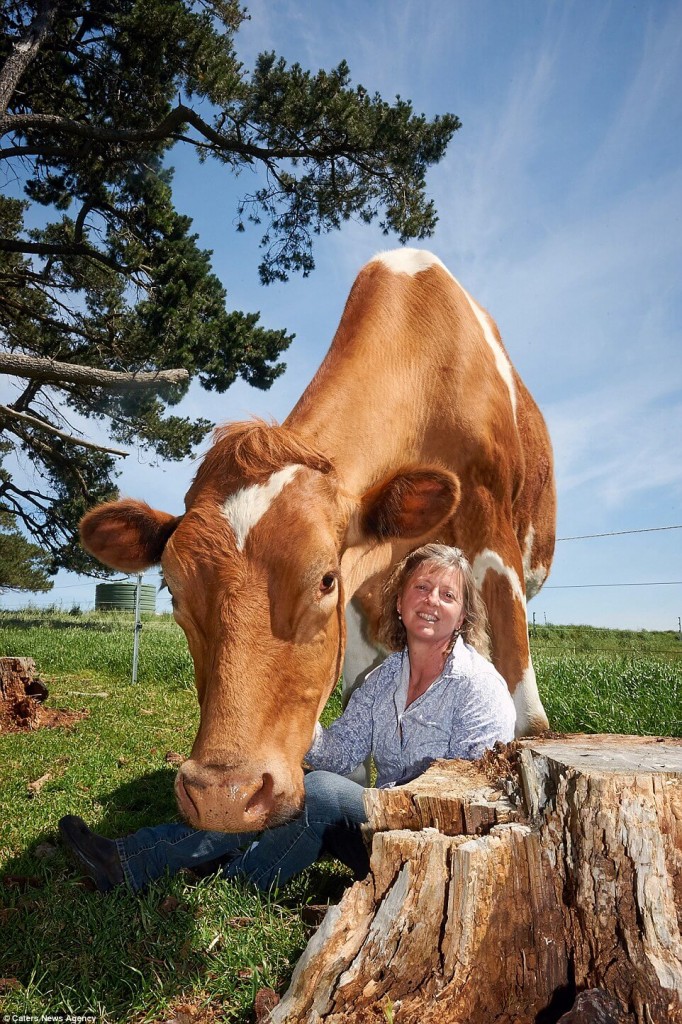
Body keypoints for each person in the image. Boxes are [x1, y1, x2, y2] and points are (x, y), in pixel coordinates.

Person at [59, 544, 516, 893]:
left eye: (448, 594)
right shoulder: (382, 680)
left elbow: (472, 800)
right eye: (421, 587)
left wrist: (382, 803)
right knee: (282, 786)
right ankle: (129, 859)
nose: (431, 600)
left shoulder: (479, 688)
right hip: (382, 827)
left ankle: (233, 884)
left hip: (438, 850)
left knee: (315, 792)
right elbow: (337, 755)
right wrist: (284, 717)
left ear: (461, 615)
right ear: (399, 601)